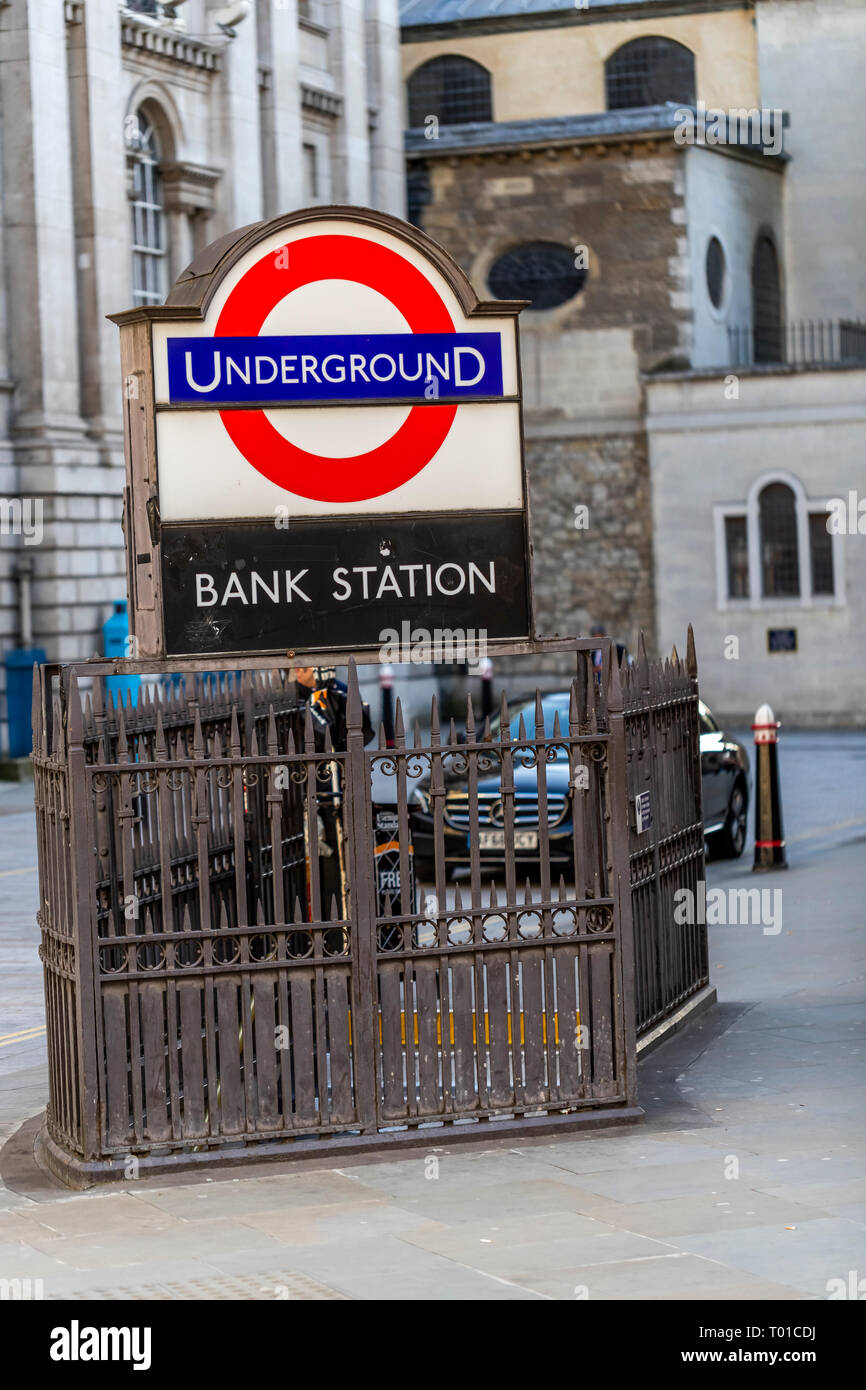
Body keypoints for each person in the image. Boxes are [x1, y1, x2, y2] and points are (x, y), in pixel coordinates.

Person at [292, 668, 373, 941]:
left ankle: (346, 934)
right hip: (313, 791)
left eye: (302, 669)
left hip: (335, 790)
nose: (296, 673)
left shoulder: (337, 693)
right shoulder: (297, 695)